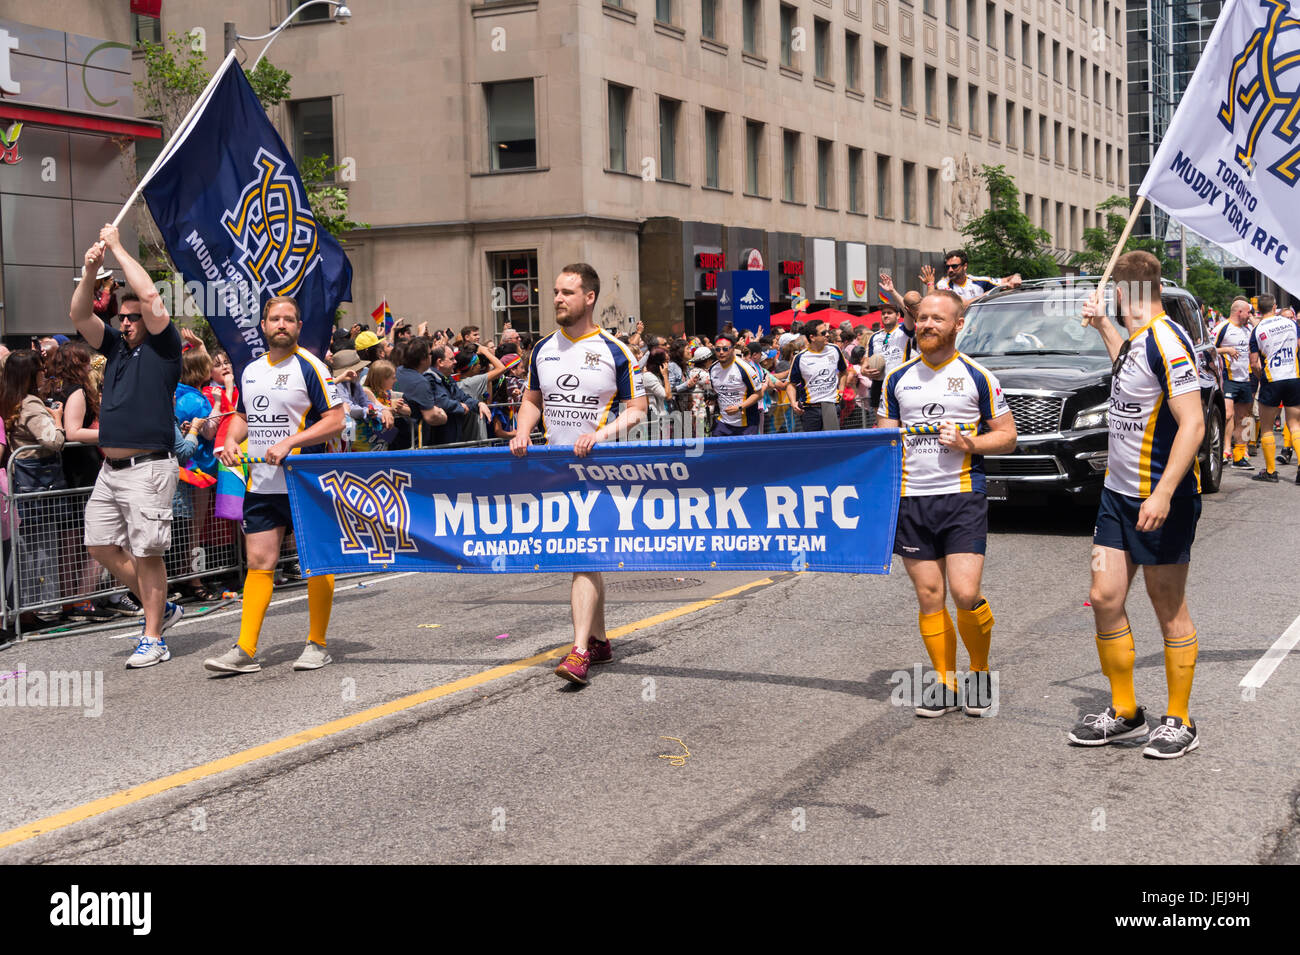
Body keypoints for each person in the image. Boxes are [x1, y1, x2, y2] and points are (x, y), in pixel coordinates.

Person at [1073, 251, 1204, 758]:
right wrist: (1103, 325)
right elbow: (1129, 376)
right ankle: (1126, 711)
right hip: (1117, 495)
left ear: (1126, 291)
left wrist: (1165, 492)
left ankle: (1180, 721)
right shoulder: (1138, 340)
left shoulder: (1169, 341)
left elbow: (1192, 423)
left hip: (1160, 498)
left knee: (1167, 607)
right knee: (1105, 598)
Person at [878, 290, 1018, 717]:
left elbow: (1008, 436)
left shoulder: (978, 376)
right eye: (921, 318)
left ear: (958, 325)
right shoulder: (897, 378)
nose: (926, 325)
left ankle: (978, 673)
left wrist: (969, 441)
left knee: (964, 591)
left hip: (961, 496)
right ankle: (943, 682)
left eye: (937, 319)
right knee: (930, 595)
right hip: (911, 498)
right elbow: (882, 442)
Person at [509, 263, 647, 686]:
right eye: (555, 291)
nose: (557, 299)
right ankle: (601, 640)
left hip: (599, 470)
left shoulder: (615, 351)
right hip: (555, 469)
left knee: (582, 554)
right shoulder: (543, 349)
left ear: (589, 297)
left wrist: (600, 435)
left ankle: (579, 651)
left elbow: (637, 412)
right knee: (589, 555)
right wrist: (521, 430)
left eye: (567, 292)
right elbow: (533, 398)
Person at [204, 297, 346, 675]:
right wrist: (231, 440)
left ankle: (317, 644)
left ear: (299, 326)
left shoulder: (311, 366)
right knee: (259, 564)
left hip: (305, 481)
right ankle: (245, 649)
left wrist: (290, 443)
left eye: (289, 319)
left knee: (315, 563)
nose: (281, 324)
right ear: (263, 326)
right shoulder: (249, 370)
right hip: (263, 483)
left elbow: (336, 420)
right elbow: (243, 416)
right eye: (274, 319)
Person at [70, 225, 184, 668]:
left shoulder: (165, 347)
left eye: (133, 317)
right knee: (99, 545)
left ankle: (153, 635)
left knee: (146, 551)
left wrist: (118, 247)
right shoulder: (116, 346)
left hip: (148, 468)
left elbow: (153, 301)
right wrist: (90, 271)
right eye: (123, 317)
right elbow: (80, 315)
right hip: (110, 471)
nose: (127, 322)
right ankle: (163, 606)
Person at [0, 350, 67, 626]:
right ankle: (45, 608)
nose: (45, 375)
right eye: (41, 370)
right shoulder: (31, 404)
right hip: (37, 483)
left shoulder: (8, 400)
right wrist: (59, 419)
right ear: (31, 374)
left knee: (26, 548)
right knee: (42, 547)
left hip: (20, 483)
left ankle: (26, 608)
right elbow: (53, 441)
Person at [1248, 293, 1300, 483]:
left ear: (1258, 309)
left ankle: (1270, 472)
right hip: (1293, 376)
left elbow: (1254, 363)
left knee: (1268, 427)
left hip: (1272, 378)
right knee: (1295, 425)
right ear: (1275, 307)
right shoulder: (1291, 324)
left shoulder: (1257, 329)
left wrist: (1260, 377)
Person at [1215, 297, 1256, 471]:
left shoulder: (1249, 329)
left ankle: (1241, 454)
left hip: (1246, 379)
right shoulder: (1222, 328)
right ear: (1239, 312)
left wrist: (1253, 320)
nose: (1250, 315)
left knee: (1246, 417)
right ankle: (1225, 450)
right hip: (1229, 379)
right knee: (1228, 414)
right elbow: (1207, 349)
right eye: (1248, 312)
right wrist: (1226, 350)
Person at [787, 318, 847, 431]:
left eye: (827, 331)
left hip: (831, 405)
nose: (828, 335)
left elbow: (844, 371)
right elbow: (791, 384)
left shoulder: (834, 349)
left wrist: (842, 391)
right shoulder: (800, 358)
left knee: (832, 443)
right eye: (823, 333)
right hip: (810, 409)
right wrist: (793, 402)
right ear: (812, 337)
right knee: (812, 445)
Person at [391, 340, 448, 449]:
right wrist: (442, 415)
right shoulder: (420, 382)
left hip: (393, 441)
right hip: (412, 445)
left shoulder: (395, 371)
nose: (432, 357)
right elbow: (431, 417)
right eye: (431, 354)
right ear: (423, 359)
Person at [708, 333, 762, 436]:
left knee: (745, 452)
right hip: (723, 423)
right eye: (718, 349)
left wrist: (739, 407)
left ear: (732, 349)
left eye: (725, 349)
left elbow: (759, 394)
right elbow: (717, 391)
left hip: (746, 424)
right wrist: (712, 399)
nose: (721, 352)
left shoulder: (745, 368)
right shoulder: (712, 369)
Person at [934, 250, 1021, 302]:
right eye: (947, 267)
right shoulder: (943, 284)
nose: (950, 270)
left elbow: (1006, 280)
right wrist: (989, 293)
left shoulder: (979, 281)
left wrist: (1016, 277)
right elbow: (963, 305)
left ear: (965, 266)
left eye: (954, 266)